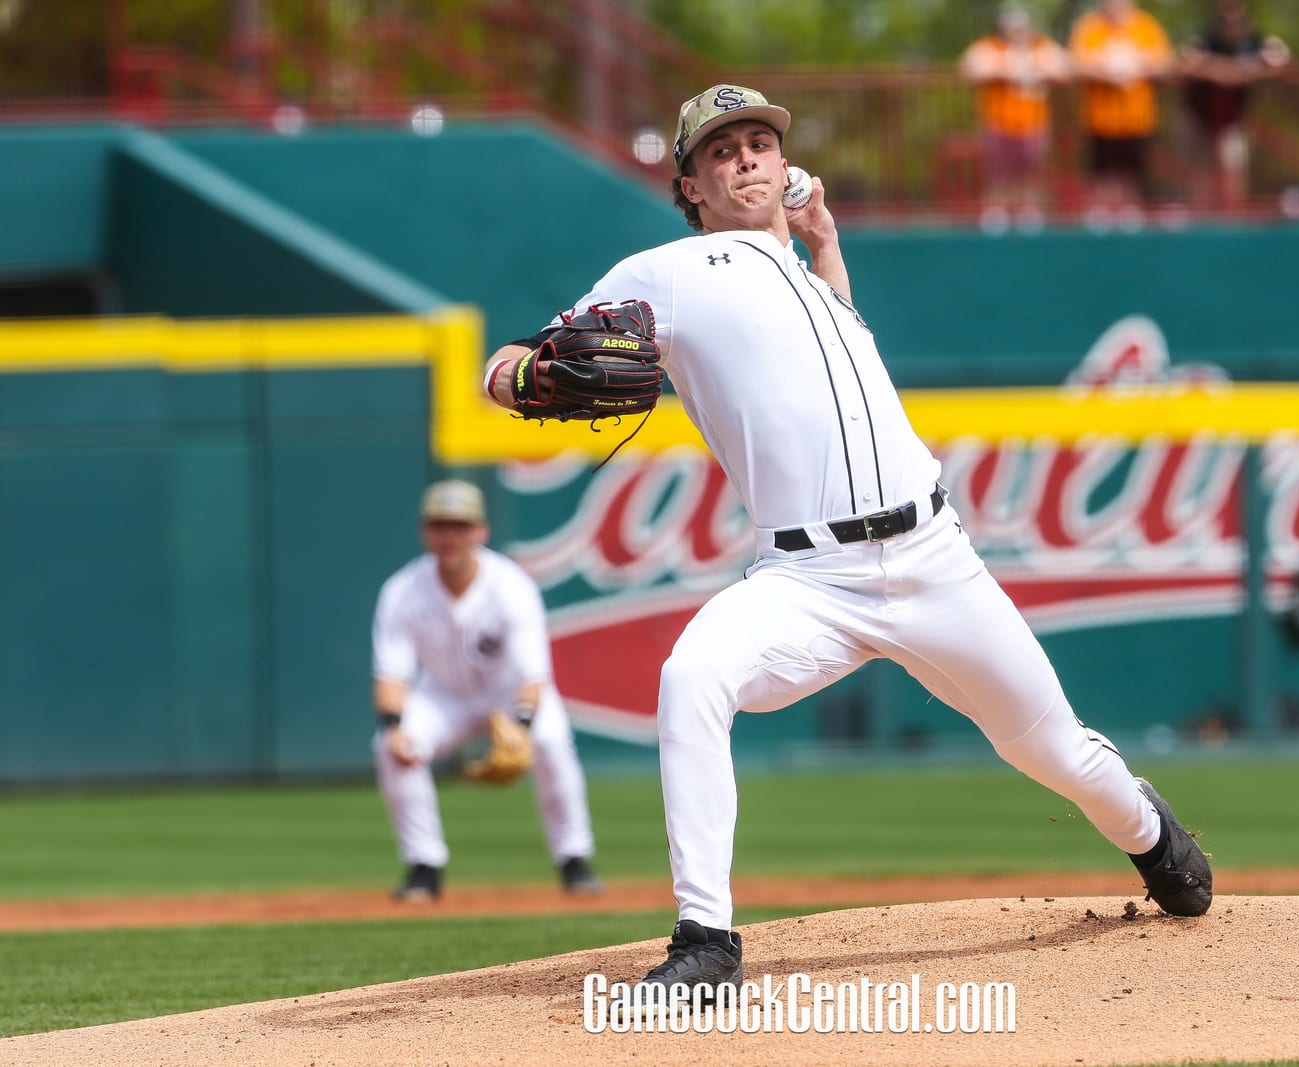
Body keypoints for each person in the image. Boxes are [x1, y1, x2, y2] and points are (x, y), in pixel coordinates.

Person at [484, 84, 1211, 1006]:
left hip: (936, 560)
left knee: (1052, 750)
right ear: (692, 187)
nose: (747, 157)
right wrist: (519, 374)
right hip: (806, 579)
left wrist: (823, 243)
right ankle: (705, 938)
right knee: (691, 675)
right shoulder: (667, 273)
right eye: (722, 150)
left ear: (786, 165)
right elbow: (508, 364)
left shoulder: (812, 273)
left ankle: (1149, 833)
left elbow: (833, 350)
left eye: (760, 142)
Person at [371, 479, 602, 901]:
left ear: (481, 531)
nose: (449, 536)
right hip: (442, 696)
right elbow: (391, 676)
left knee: (550, 741)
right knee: (391, 748)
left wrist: (521, 724)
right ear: (426, 531)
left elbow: (534, 676)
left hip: (510, 693)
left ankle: (574, 860)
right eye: (440, 525)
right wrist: (393, 726)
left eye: (460, 525)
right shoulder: (402, 590)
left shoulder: (510, 585)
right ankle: (425, 866)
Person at [958, 3, 1071, 235]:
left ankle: (1029, 211)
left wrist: (1037, 71)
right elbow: (968, 69)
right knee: (998, 169)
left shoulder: (1042, 48)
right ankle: (997, 211)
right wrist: (1003, 71)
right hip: (998, 121)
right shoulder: (990, 48)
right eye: (1012, 26)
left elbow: (1065, 69)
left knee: (1031, 168)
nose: (1016, 31)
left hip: (1033, 122)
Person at [1067, 0, 1175, 219]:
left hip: (1137, 118)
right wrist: (1107, 72)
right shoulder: (1089, 27)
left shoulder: (1146, 26)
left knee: (1133, 171)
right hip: (1099, 119)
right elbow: (1076, 64)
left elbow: (1166, 64)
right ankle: (1103, 215)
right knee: (1102, 172)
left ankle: (1130, 214)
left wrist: (1138, 66)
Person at [1178, 0, 1290, 207]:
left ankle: (1233, 219)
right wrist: (1222, 70)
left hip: (1233, 118)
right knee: (1199, 170)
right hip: (1200, 115)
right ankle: (1200, 221)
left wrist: (1237, 73)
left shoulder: (1256, 40)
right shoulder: (1207, 37)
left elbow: (1280, 61)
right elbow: (1186, 62)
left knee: (1233, 167)